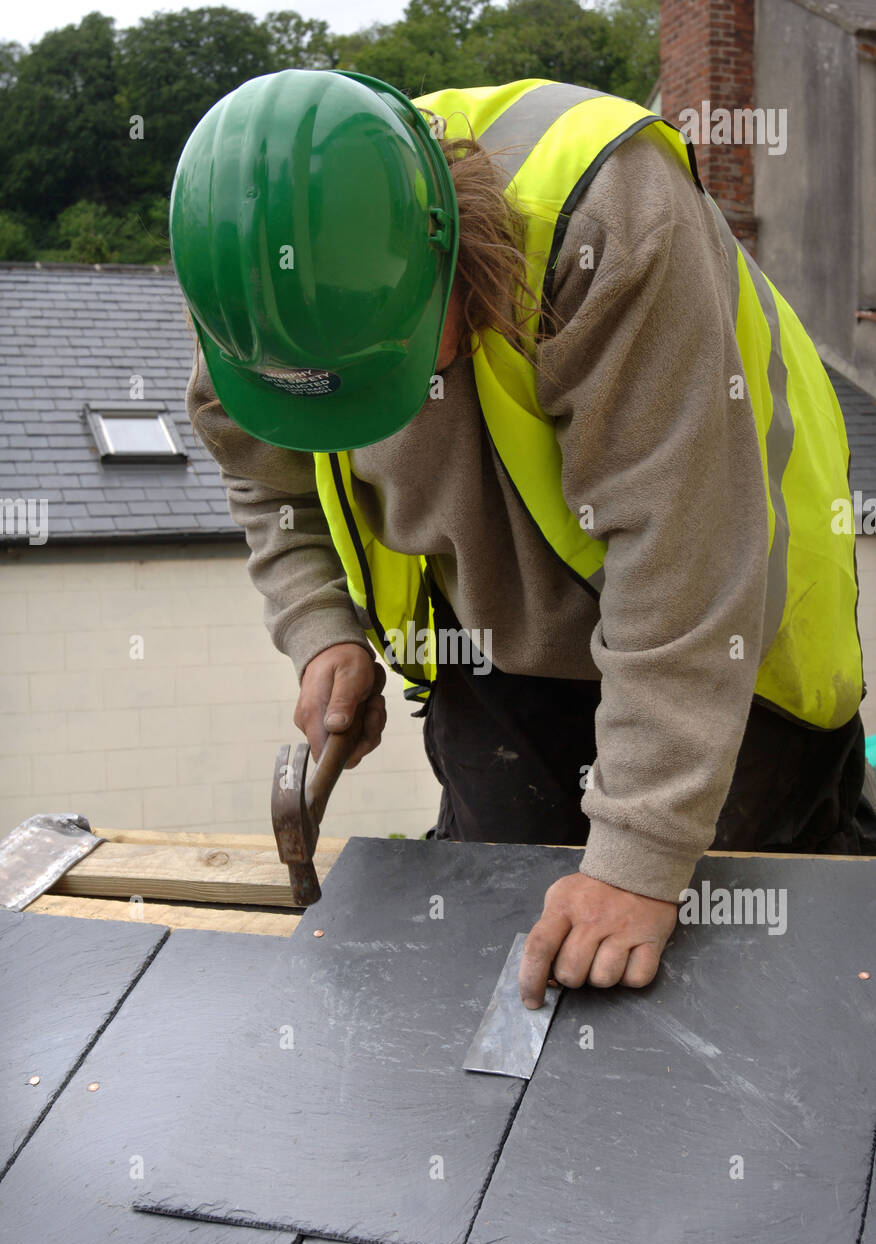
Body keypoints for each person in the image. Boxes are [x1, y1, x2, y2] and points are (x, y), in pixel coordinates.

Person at [170, 69, 874, 1008]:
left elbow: (681, 551)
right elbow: (265, 475)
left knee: (755, 984)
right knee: (497, 958)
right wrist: (320, 627)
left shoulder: (606, 217)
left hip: (729, 653)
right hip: (493, 648)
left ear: (451, 240)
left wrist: (636, 861)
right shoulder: (255, 291)